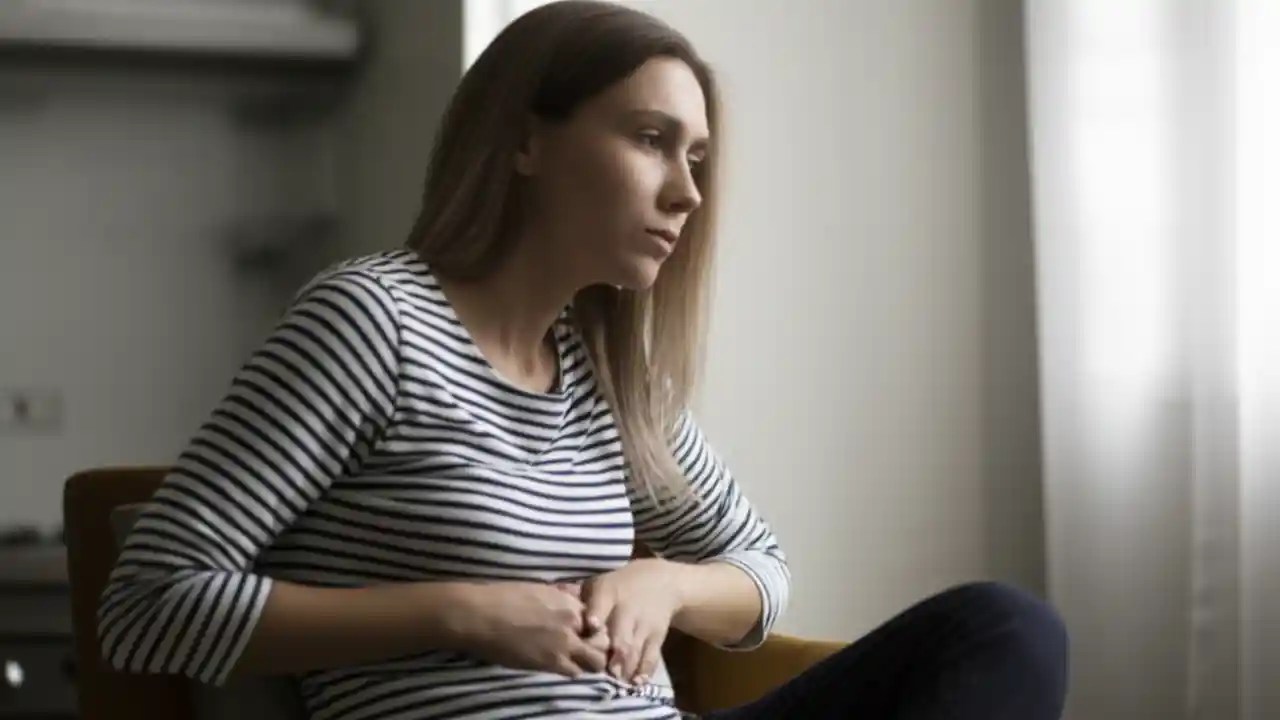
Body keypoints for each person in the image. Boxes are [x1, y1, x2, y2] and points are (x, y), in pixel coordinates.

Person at [97, 2, 1069, 718]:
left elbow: (760, 576)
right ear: (524, 141)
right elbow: (148, 605)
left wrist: (665, 583)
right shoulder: (372, 321)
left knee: (1001, 628)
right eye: (651, 140)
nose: (687, 194)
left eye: (696, 158)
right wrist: (461, 614)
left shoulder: (607, 374)